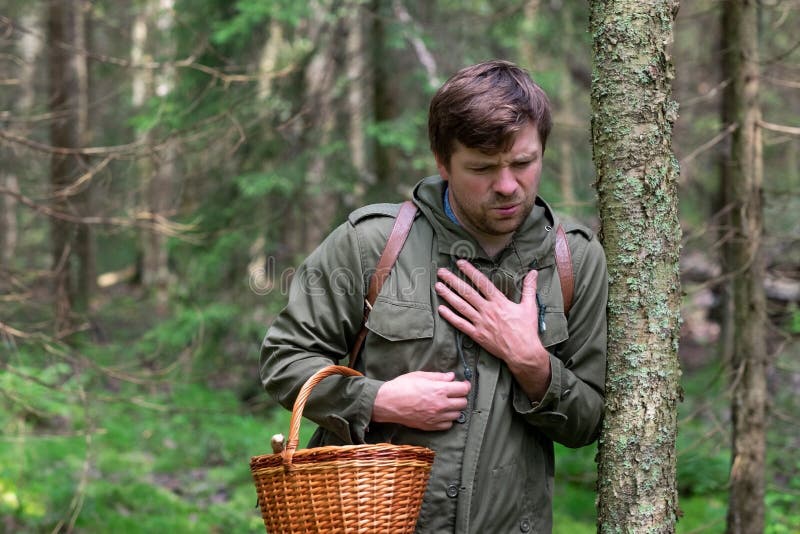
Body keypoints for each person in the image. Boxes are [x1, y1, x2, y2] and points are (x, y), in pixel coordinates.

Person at [260, 59, 607, 533]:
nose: (507, 186)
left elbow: (589, 422)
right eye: (482, 168)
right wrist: (377, 399)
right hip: (376, 522)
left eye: (523, 163)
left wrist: (533, 365)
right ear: (443, 163)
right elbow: (284, 360)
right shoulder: (372, 244)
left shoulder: (574, 260)